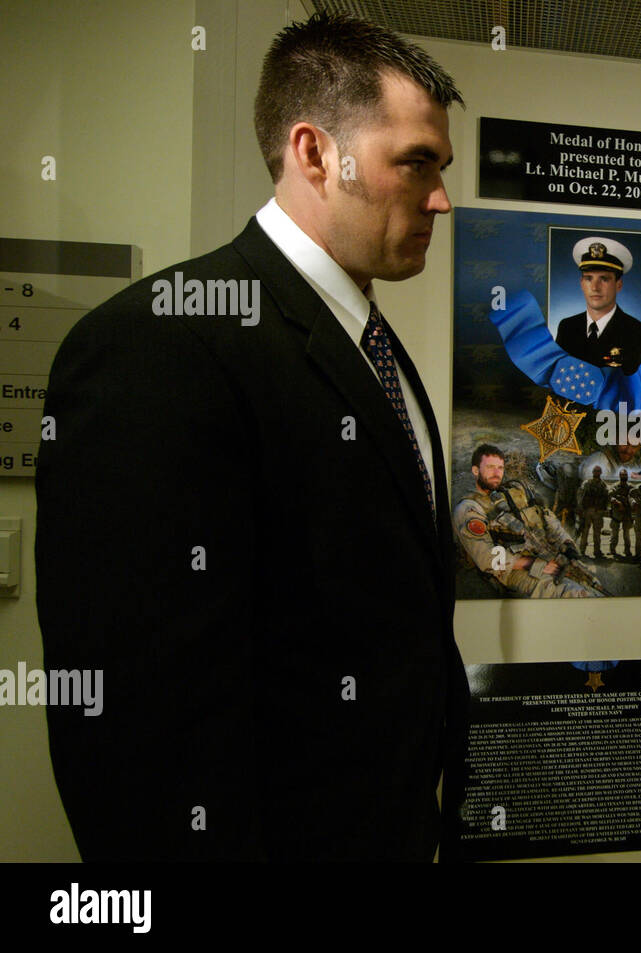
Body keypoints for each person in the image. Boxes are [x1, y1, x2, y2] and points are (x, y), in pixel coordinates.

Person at [35, 13, 468, 861]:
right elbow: (136, 728)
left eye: (441, 168)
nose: (442, 198)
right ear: (314, 153)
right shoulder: (160, 343)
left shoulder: (373, 346)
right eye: (416, 162)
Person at [453, 444, 596, 598]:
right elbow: (487, 558)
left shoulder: (513, 493)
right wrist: (536, 564)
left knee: (591, 583)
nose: (496, 473)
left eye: (500, 468)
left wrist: (567, 544)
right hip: (512, 570)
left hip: (545, 555)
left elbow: (546, 517)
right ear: (475, 471)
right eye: (490, 467)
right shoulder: (469, 509)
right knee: (575, 594)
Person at [553, 237, 641, 373]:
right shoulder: (567, 327)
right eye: (588, 278)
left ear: (618, 285)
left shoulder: (640, 334)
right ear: (582, 284)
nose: (595, 287)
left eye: (604, 279)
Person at [576, 465, 610, 558]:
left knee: (597, 532)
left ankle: (597, 551)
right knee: (585, 532)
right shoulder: (587, 483)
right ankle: (582, 550)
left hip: (598, 511)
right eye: (595, 471)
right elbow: (580, 495)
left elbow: (606, 498)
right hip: (587, 511)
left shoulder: (603, 485)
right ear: (593, 472)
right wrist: (580, 508)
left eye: (598, 471)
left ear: (601, 473)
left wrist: (604, 509)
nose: (597, 473)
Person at [608, 469, 633, 557]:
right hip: (616, 513)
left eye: (625, 475)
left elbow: (634, 497)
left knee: (626, 534)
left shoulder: (630, 487)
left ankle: (627, 551)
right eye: (622, 475)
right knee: (614, 533)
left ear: (627, 476)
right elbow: (610, 495)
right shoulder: (615, 486)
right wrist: (617, 502)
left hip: (627, 513)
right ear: (619, 476)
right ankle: (612, 550)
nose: (623, 477)